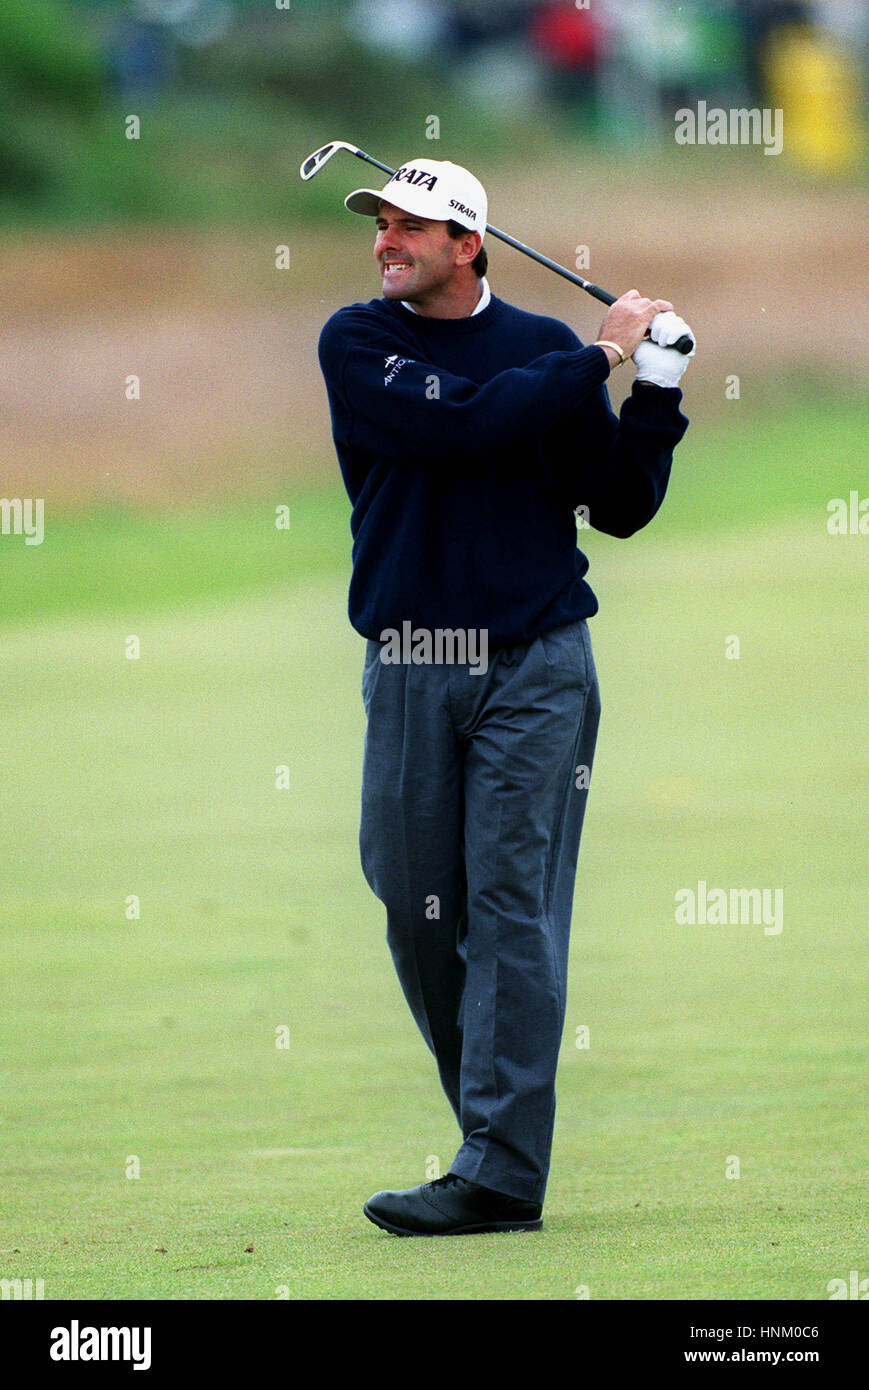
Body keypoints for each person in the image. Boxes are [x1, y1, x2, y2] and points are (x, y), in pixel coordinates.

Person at [317, 156, 693, 1236]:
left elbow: (615, 504)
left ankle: (496, 1167)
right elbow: (464, 425)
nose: (386, 241)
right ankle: (494, 1131)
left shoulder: (543, 348)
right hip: (410, 659)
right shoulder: (358, 341)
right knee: (415, 909)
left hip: (537, 662)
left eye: (409, 227)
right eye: (380, 225)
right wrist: (607, 352)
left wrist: (654, 392)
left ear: (466, 242)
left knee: (509, 912)